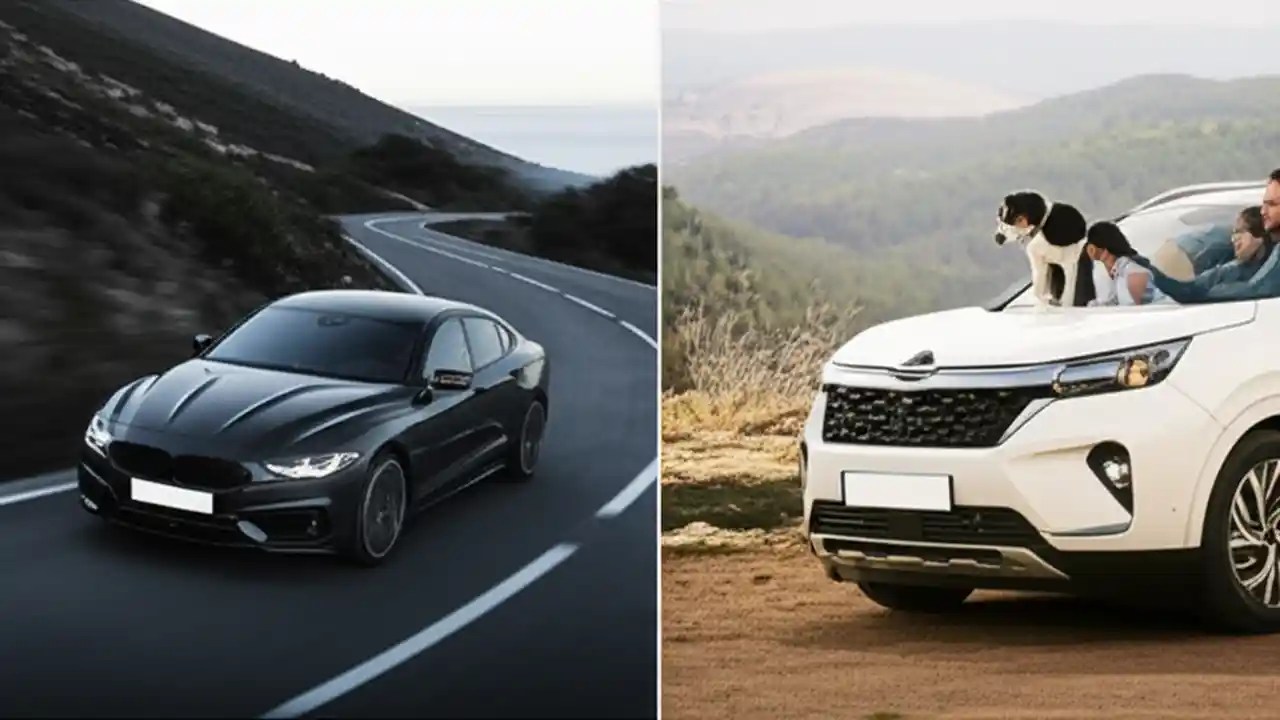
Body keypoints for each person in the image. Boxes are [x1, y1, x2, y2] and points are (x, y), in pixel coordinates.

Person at [1131, 172, 1280, 303]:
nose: (1234, 239)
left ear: (1261, 236)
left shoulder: (1268, 264)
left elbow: (1257, 289)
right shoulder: (1231, 269)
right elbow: (1191, 289)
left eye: (1272, 204)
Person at [1084, 221, 1166, 306]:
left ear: (1093, 249)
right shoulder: (1119, 273)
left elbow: (1147, 310)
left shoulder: (1133, 275)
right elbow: (1118, 303)